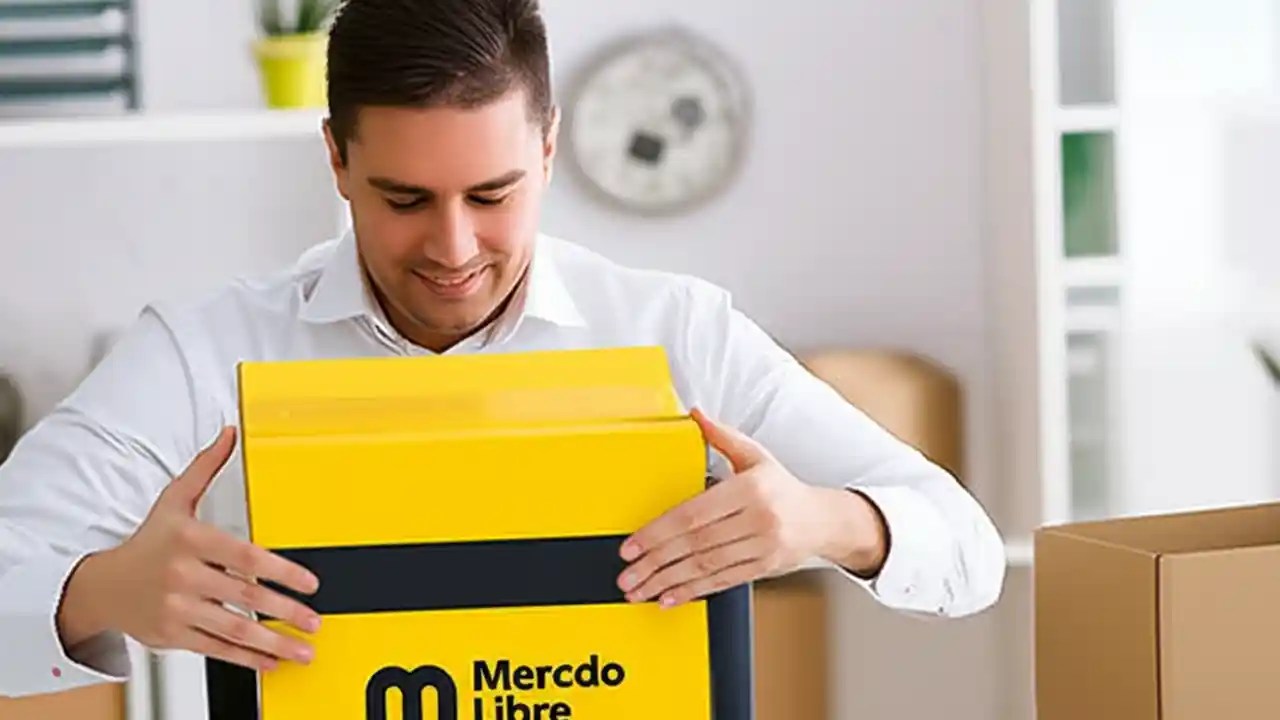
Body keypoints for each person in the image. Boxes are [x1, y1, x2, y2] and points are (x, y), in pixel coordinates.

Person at [0, 0, 1005, 698]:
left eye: (492, 195)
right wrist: (100, 590)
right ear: (336, 160)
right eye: (405, 200)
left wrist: (826, 521)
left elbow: (966, 553)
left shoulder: (675, 333)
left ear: (550, 151)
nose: (452, 248)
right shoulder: (202, 353)